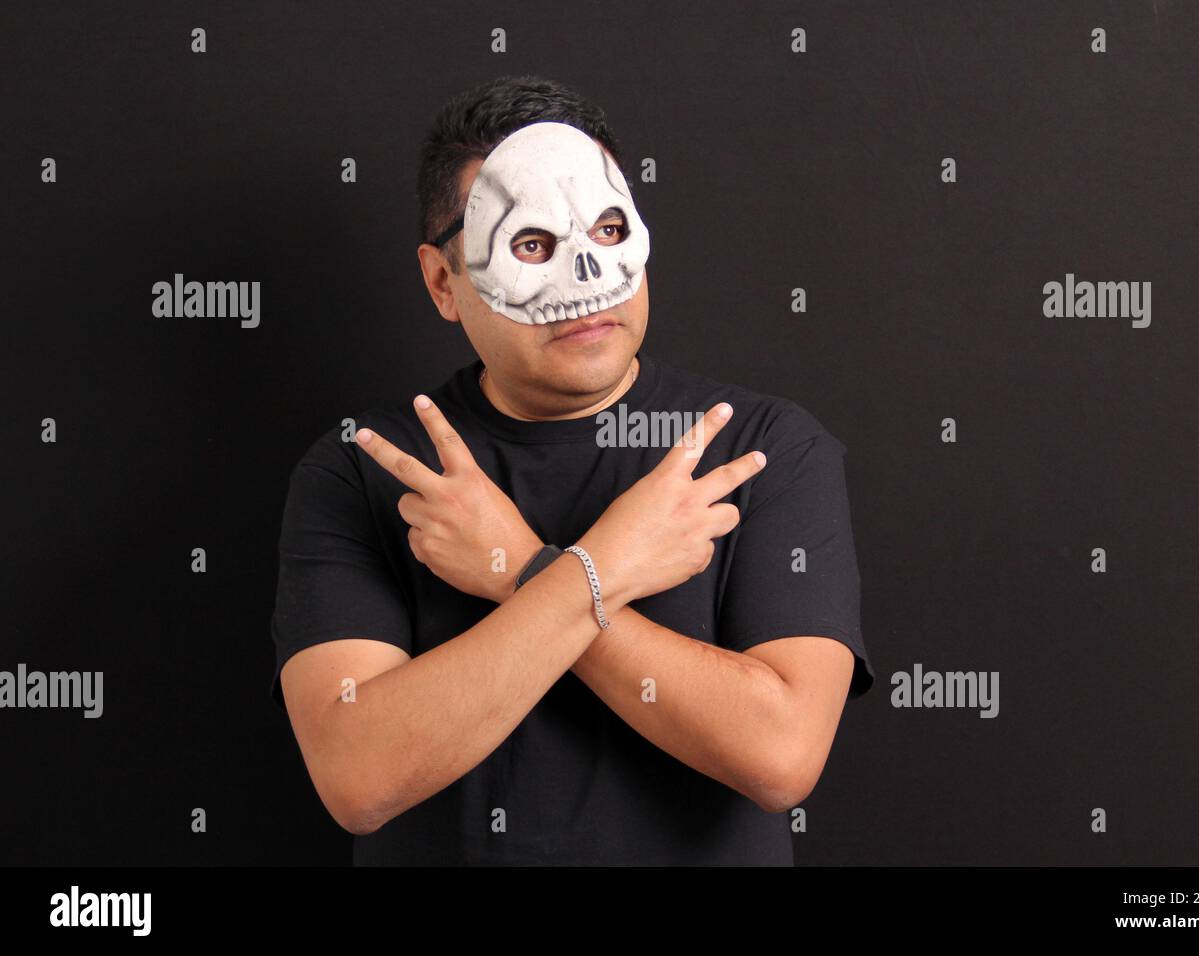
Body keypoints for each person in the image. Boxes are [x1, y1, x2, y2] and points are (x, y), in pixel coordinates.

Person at [269, 74, 874, 865]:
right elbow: (358, 774)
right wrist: (608, 566)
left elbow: (782, 756)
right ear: (443, 282)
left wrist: (520, 567)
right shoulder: (366, 472)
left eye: (608, 228)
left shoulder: (761, 449)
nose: (585, 281)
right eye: (530, 244)